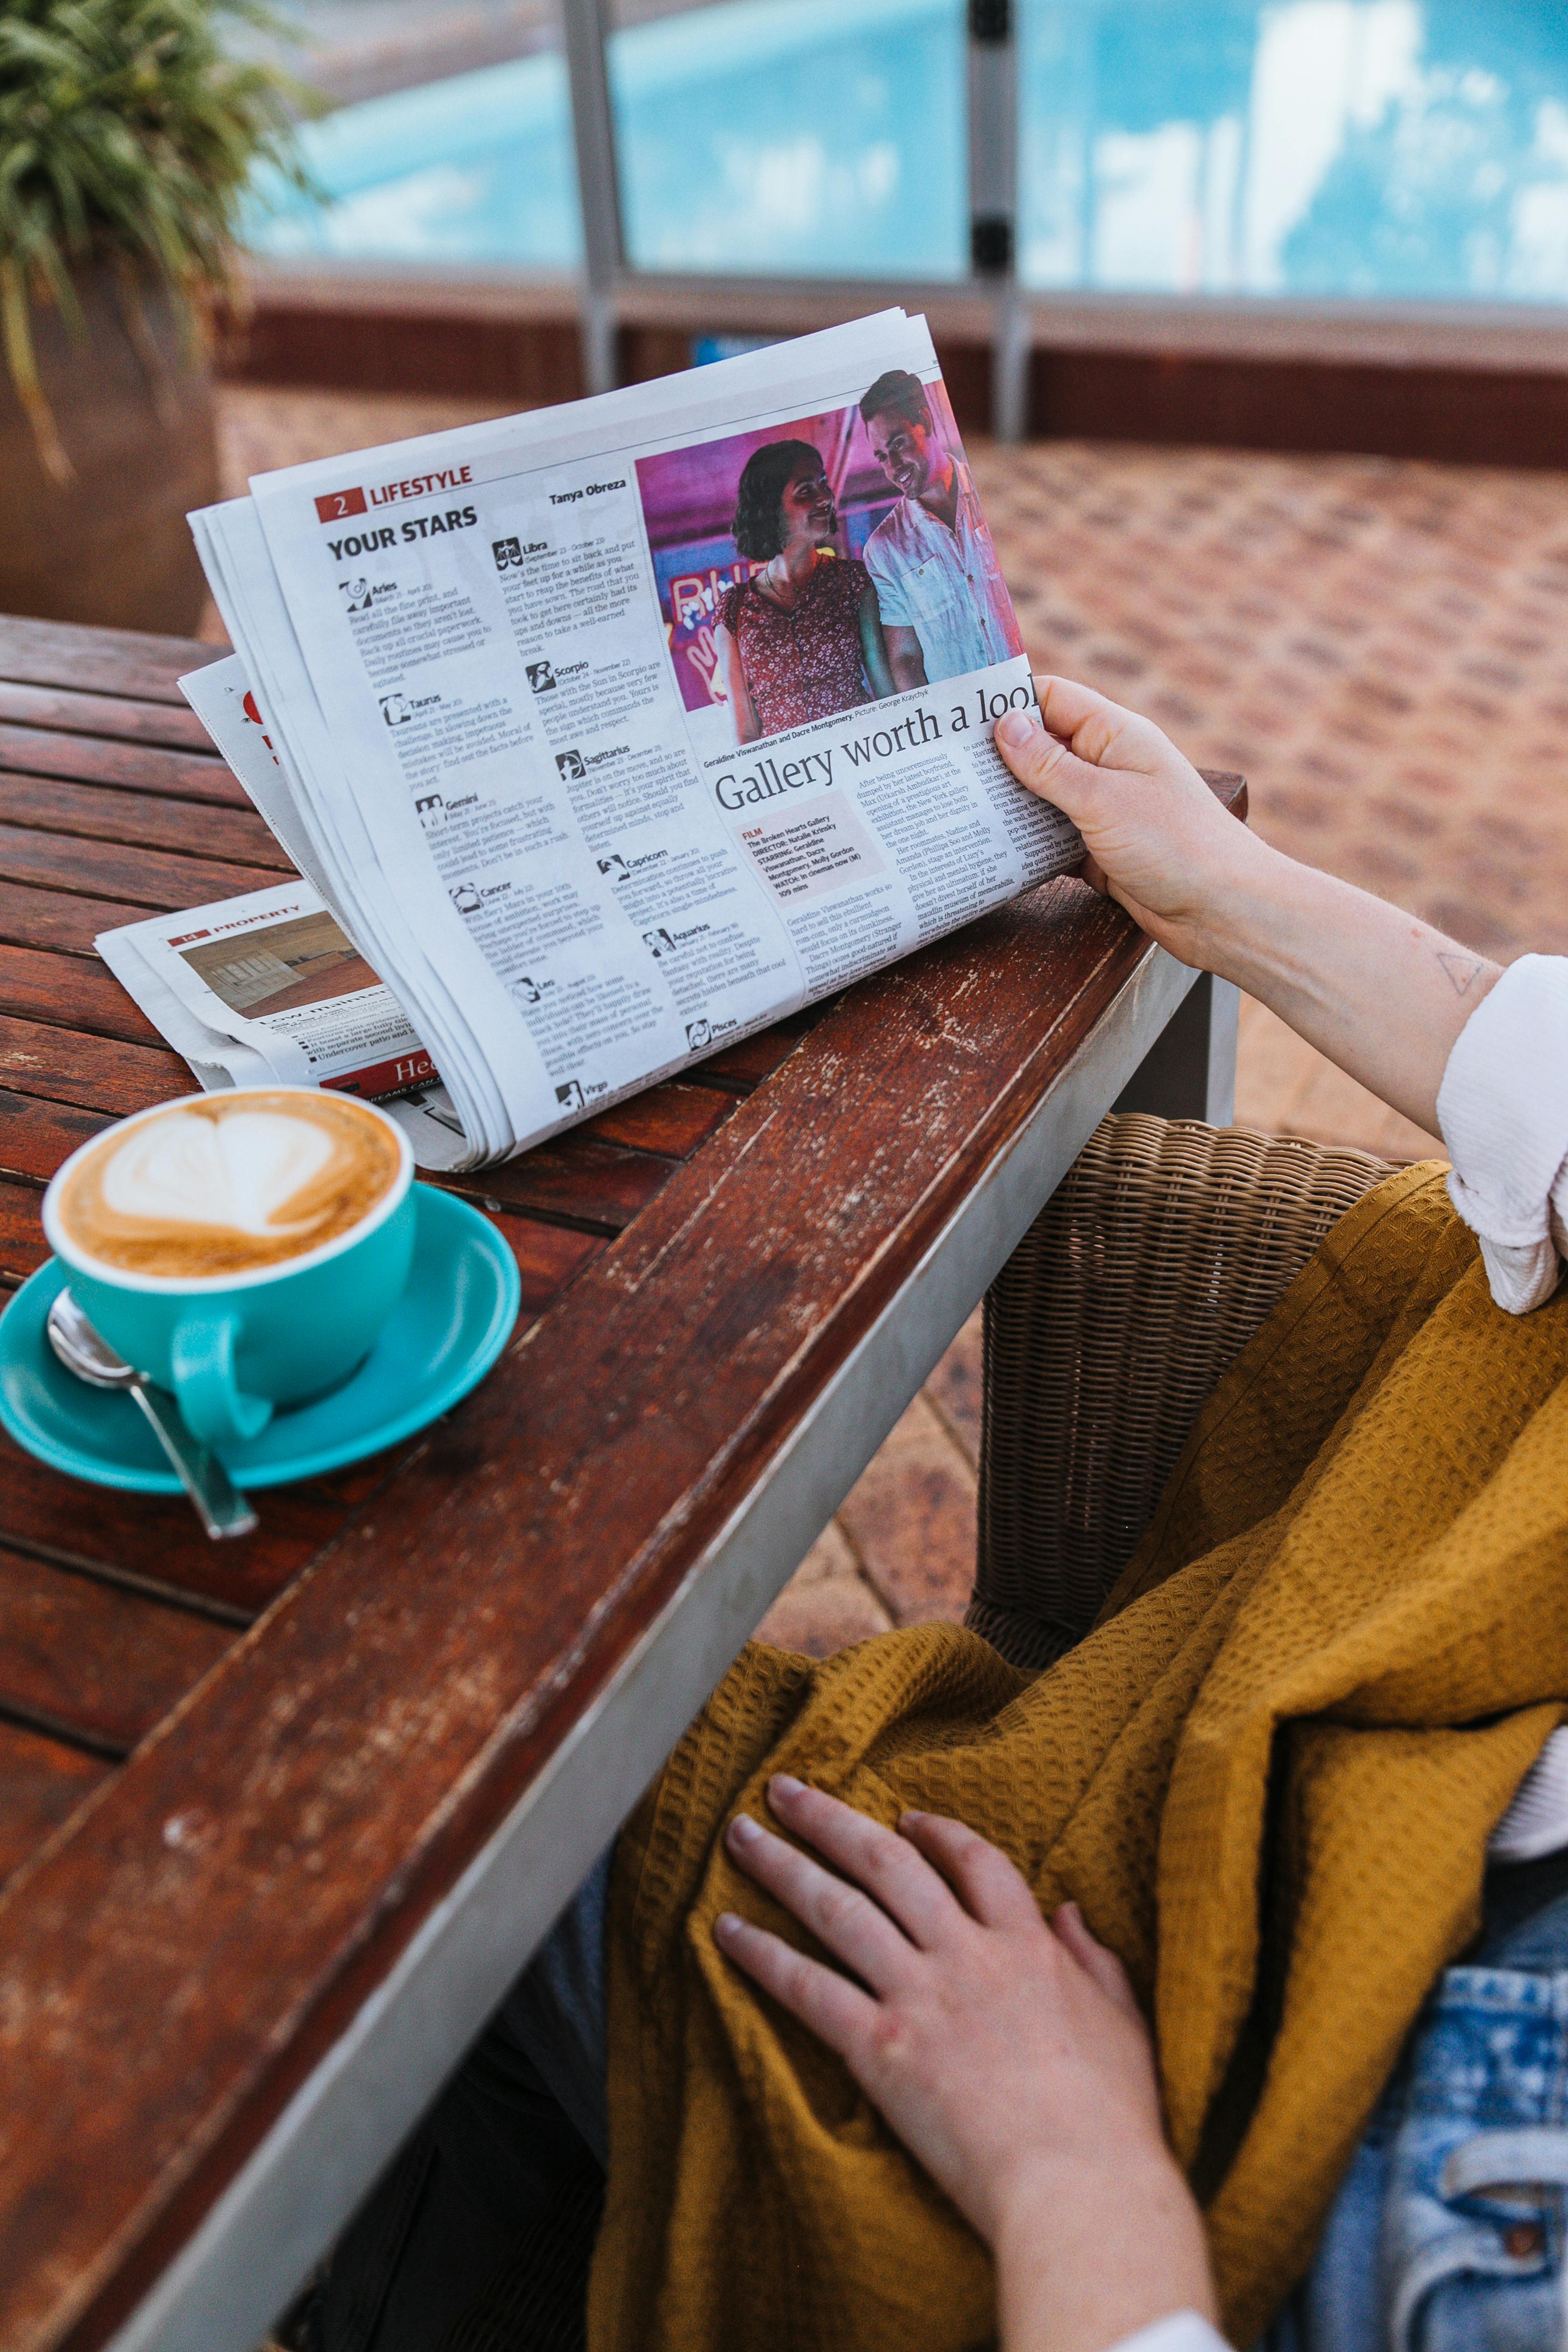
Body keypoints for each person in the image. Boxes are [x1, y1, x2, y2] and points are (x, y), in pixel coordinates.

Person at [315, 679, 1568, 2352]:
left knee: (397, 1774)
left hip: (1157, 2179)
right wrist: (1221, 889)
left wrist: (1070, 2172)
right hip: (1283, 1807)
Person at [714, 439, 895, 742]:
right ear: (770, 509)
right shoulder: (734, 609)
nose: (825, 497)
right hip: (791, 774)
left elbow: (883, 685)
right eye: (806, 490)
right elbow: (745, 732)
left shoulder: (852, 581)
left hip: (861, 747)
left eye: (823, 483)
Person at [859, 369, 1025, 689]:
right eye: (882, 457)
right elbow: (905, 658)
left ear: (926, 422)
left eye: (898, 444)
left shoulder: (1001, 495)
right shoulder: (883, 549)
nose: (893, 467)